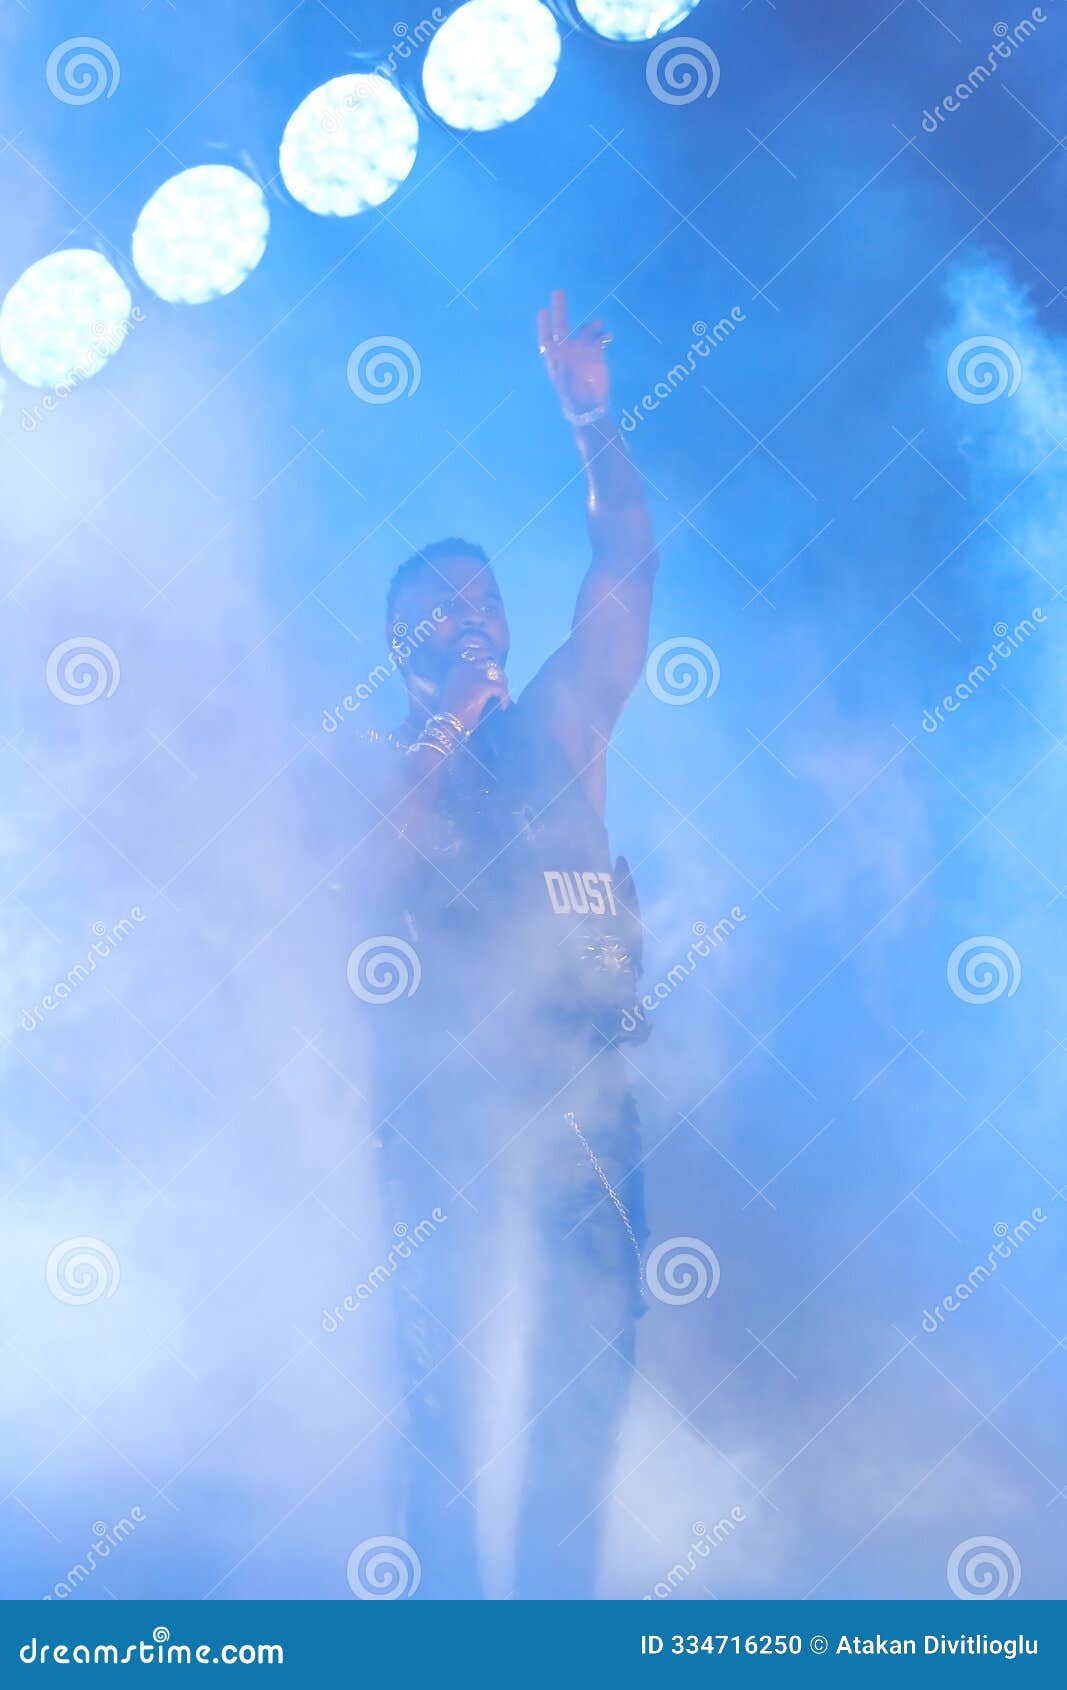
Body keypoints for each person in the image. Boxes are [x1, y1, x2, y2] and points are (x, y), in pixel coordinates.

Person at [348, 291, 659, 1598]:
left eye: (486, 598)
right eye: (443, 607)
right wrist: (447, 727)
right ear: (401, 644)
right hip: (441, 1097)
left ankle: (553, 1630)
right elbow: (364, 881)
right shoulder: (375, 766)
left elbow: (628, 561)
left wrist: (591, 423)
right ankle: (440, 1637)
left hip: (587, 1081)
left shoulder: (563, 724)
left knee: (586, 1364)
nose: (474, 616)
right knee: (445, 1372)